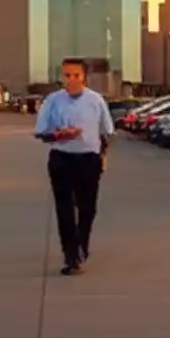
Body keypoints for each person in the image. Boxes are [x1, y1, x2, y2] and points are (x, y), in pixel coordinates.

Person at [34, 57, 113, 276]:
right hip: (62, 158)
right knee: (64, 207)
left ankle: (82, 244)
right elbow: (41, 132)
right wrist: (58, 134)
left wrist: (103, 156)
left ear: (84, 77)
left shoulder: (95, 101)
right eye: (67, 75)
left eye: (76, 75)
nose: (71, 80)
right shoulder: (53, 101)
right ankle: (71, 254)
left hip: (88, 159)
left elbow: (105, 132)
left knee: (87, 207)